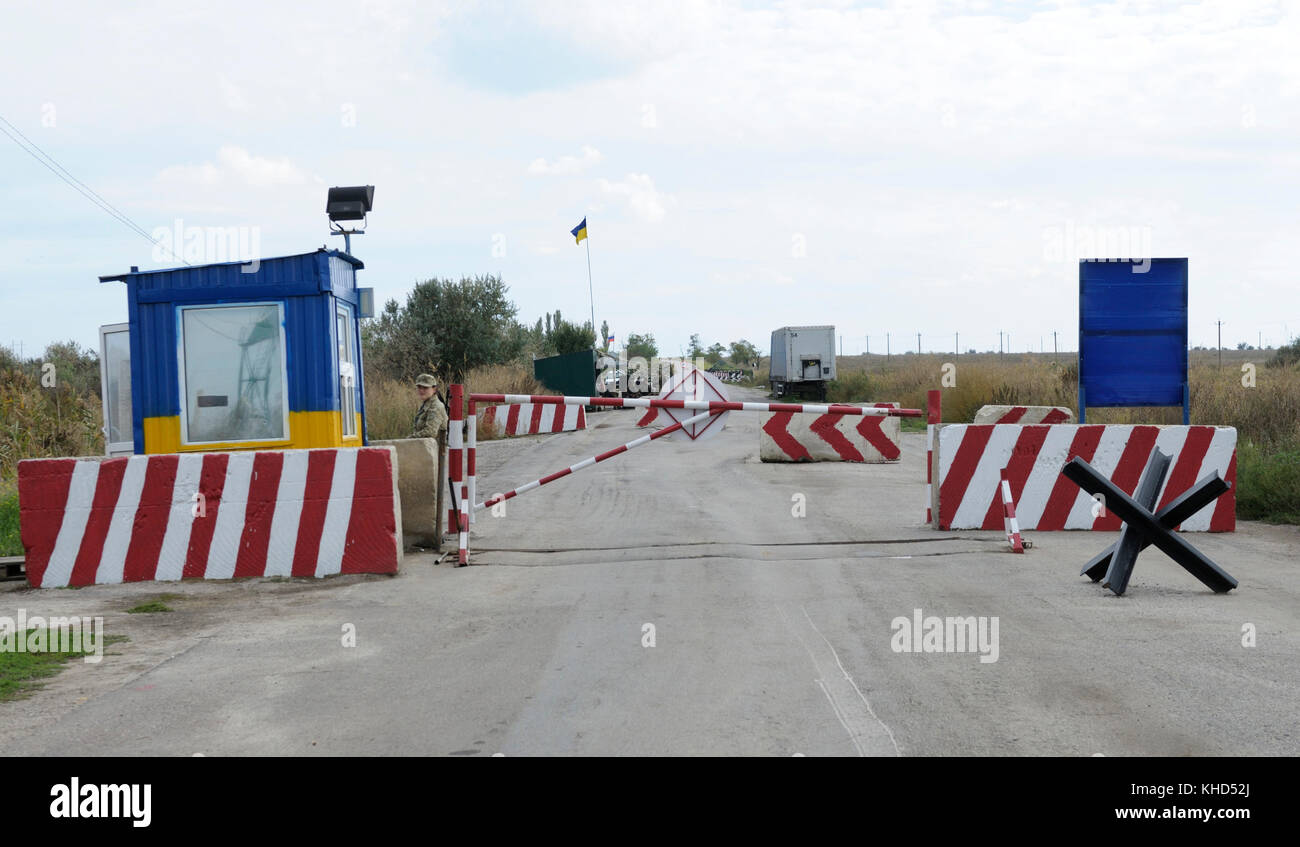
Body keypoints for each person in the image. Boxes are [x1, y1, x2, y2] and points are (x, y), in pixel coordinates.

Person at [412, 373, 448, 440]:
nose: (421, 390)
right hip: (424, 446)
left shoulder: (436, 406)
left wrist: (410, 439)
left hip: (434, 448)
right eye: (419, 387)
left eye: (425, 388)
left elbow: (430, 432)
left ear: (434, 389)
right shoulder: (426, 405)